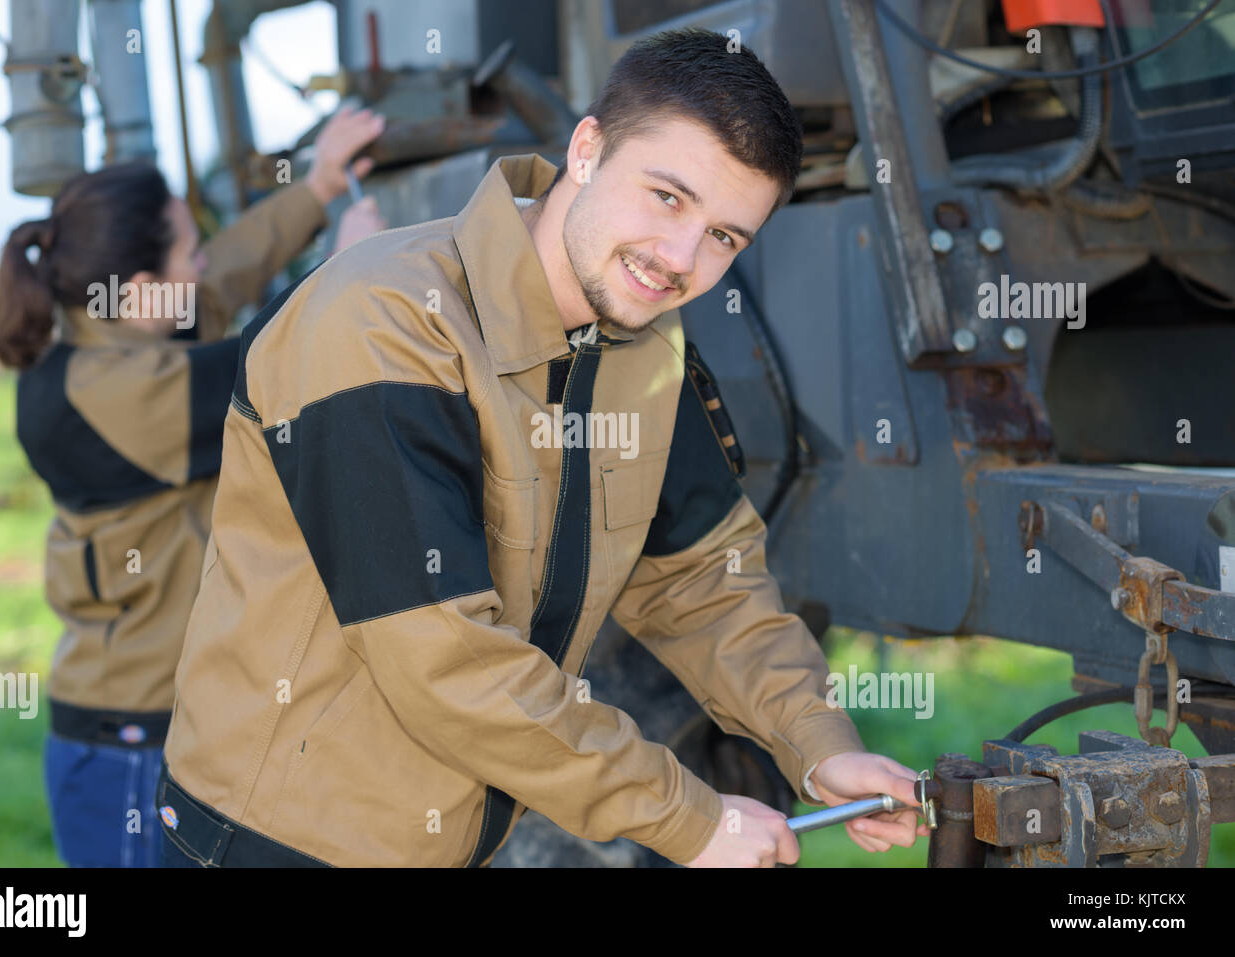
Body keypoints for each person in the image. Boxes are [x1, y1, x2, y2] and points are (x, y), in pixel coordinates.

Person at [158, 28, 930, 868]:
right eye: (668, 197)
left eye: (725, 237)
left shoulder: (640, 348)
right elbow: (444, 659)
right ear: (588, 148)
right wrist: (687, 818)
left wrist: (818, 743)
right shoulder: (380, 324)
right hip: (269, 847)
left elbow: (703, 583)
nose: (681, 260)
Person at [0, 106, 388, 867]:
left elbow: (222, 278)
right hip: (129, 748)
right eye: (189, 251)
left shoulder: (104, 333)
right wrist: (347, 275)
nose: (203, 264)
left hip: (142, 731)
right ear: (140, 289)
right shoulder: (114, 396)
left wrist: (317, 186)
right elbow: (271, 363)